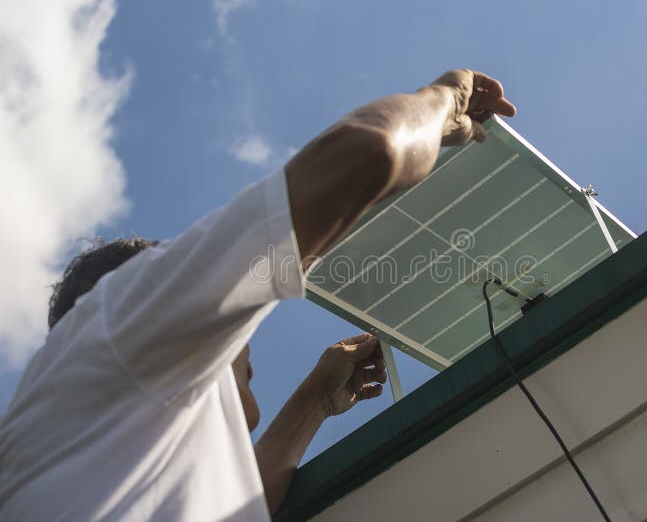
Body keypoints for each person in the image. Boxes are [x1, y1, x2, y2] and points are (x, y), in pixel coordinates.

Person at [0, 69, 516, 520]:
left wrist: (316, 399)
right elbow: (368, 152)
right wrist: (444, 101)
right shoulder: (123, 315)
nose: (243, 336)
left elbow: (240, 505)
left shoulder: (78, 449)